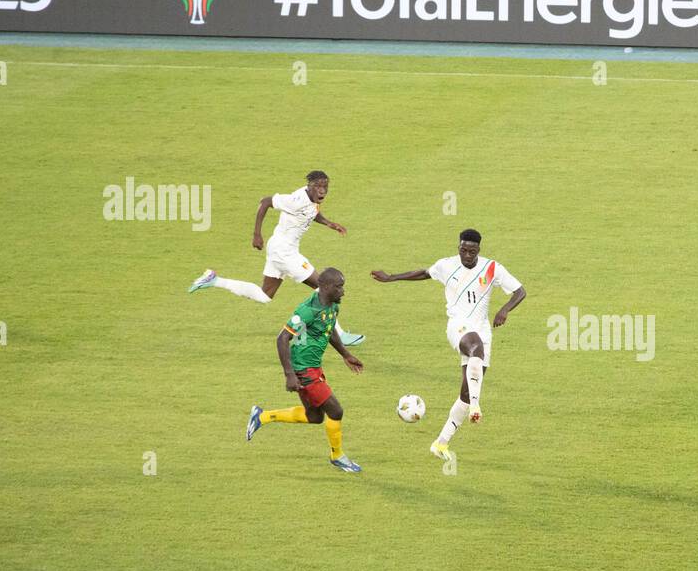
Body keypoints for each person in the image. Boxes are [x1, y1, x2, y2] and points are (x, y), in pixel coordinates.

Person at [371, 229, 526, 462]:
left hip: (483, 330)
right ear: (458, 248)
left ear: (478, 251)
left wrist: (504, 310)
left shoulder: (492, 268)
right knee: (475, 350)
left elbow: (520, 291)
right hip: (458, 326)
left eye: (472, 251)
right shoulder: (447, 265)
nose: (467, 255)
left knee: (466, 392)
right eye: (463, 250)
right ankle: (476, 406)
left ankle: (441, 443)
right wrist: (392, 277)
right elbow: (424, 273)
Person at [188, 170, 364, 346]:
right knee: (324, 286)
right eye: (318, 186)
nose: (322, 190)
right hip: (284, 251)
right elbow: (265, 202)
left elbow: (311, 212)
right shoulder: (295, 200)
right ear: (309, 186)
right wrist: (257, 234)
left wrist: (330, 224)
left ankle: (214, 280)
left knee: (264, 295)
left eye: (325, 186)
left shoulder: (311, 199)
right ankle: (339, 335)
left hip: (280, 249)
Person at [246, 268, 364, 473]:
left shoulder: (333, 305)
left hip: (314, 367)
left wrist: (345, 354)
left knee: (315, 417)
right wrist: (290, 375)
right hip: (303, 369)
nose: (343, 292)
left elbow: (329, 328)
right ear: (326, 287)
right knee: (336, 411)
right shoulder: (307, 311)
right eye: (339, 287)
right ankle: (337, 456)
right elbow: (282, 338)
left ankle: (263, 416)